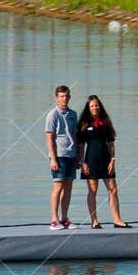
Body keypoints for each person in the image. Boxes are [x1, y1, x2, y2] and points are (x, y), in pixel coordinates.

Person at [77, 95, 128, 229]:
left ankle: (117, 220)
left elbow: (111, 143)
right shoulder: (83, 123)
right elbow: (81, 145)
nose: (95, 107)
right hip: (90, 161)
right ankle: (94, 221)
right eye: (92, 106)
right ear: (88, 108)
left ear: (100, 106)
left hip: (106, 160)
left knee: (113, 190)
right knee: (92, 191)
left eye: (97, 105)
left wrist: (113, 160)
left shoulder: (105, 122)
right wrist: (82, 162)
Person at [45, 84, 78, 230]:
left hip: (71, 154)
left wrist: (78, 156)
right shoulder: (53, 114)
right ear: (56, 98)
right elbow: (49, 137)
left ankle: (65, 218)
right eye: (61, 96)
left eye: (66, 96)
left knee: (68, 188)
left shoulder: (73, 114)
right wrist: (53, 158)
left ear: (69, 97)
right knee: (57, 187)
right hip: (59, 155)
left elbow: (75, 135)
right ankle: (54, 219)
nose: (64, 99)